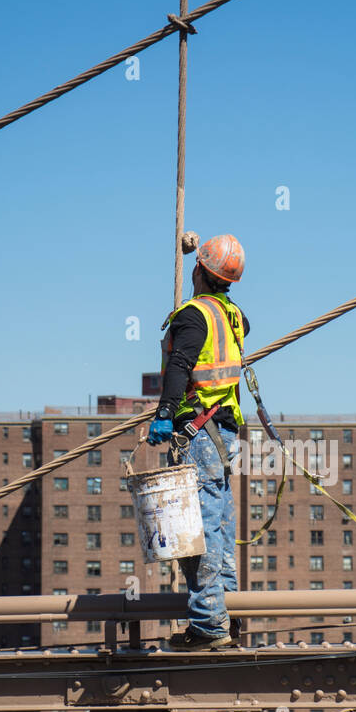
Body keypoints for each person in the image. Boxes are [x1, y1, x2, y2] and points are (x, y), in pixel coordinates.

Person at [148, 234, 248, 650]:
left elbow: (180, 365)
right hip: (223, 431)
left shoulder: (193, 315)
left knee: (201, 531)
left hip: (200, 432)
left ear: (198, 271)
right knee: (220, 527)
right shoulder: (234, 314)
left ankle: (208, 626)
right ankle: (228, 617)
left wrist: (165, 412)